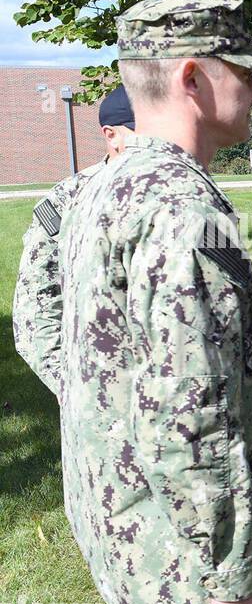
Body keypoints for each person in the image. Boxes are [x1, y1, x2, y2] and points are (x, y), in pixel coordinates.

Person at [58, 0, 252, 604]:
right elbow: (191, 411)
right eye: (247, 75)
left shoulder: (102, 186)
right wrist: (231, 568)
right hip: (191, 562)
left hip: (133, 527)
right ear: (195, 78)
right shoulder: (181, 208)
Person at [14, 85, 134, 395]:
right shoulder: (66, 201)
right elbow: (36, 313)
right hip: (104, 392)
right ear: (111, 135)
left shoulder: (183, 192)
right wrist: (78, 394)